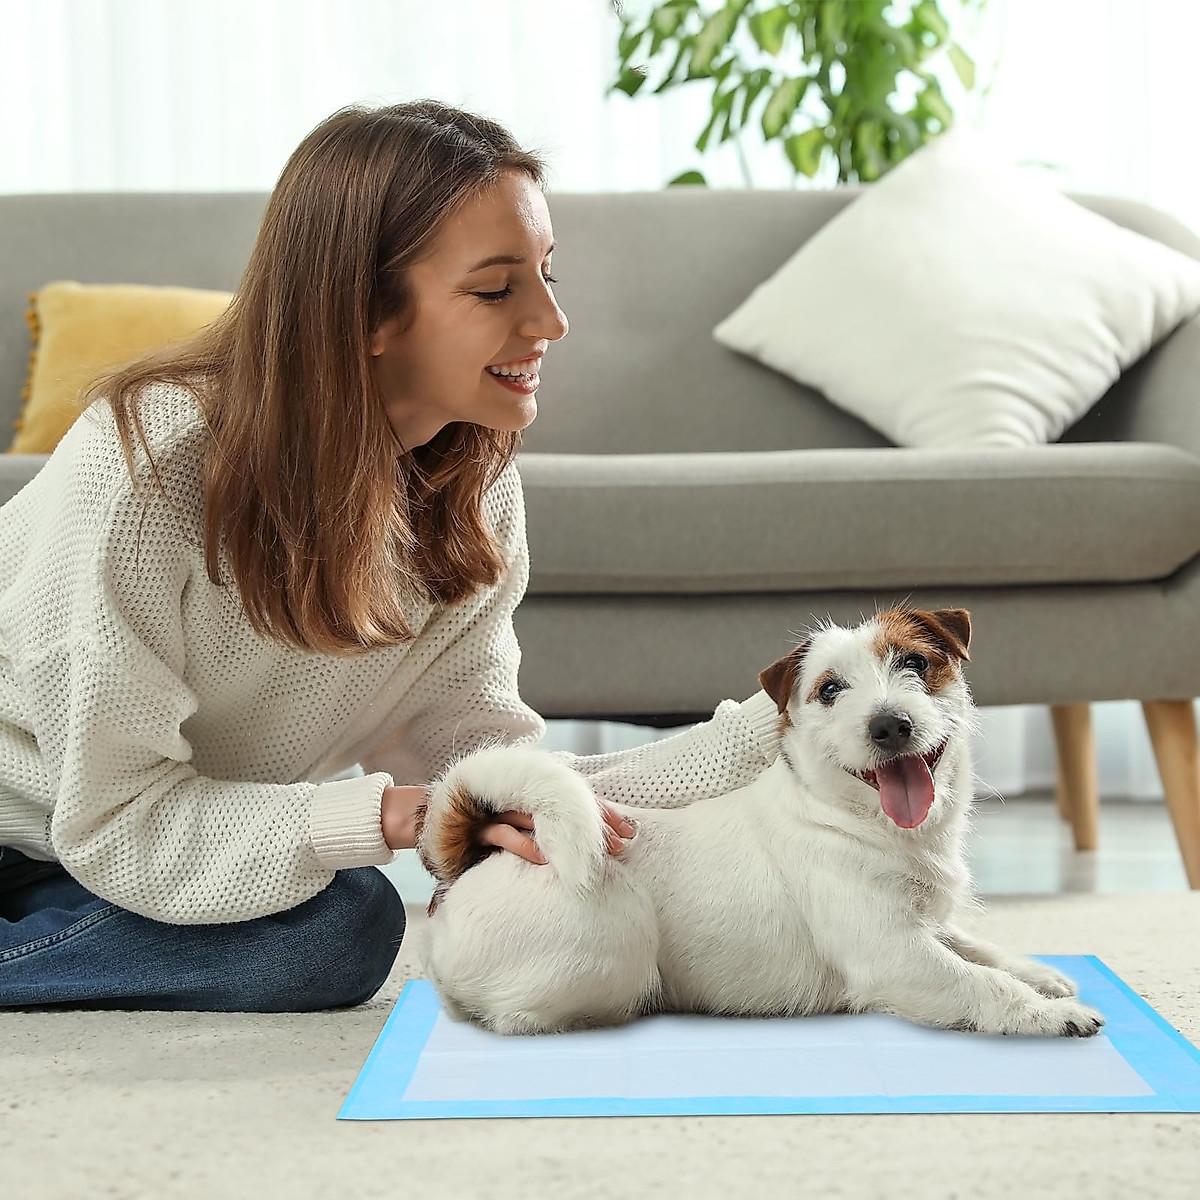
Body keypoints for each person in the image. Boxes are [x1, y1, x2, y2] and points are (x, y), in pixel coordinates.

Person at [0, 100, 782, 1013]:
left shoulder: (474, 484)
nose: (552, 321)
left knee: (335, 923)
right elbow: (117, 818)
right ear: (365, 312)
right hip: (56, 826)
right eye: (497, 289)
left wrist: (753, 740)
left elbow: (483, 758)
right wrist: (396, 814)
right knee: (345, 917)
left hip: (98, 852)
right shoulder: (151, 470)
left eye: (547, 274)